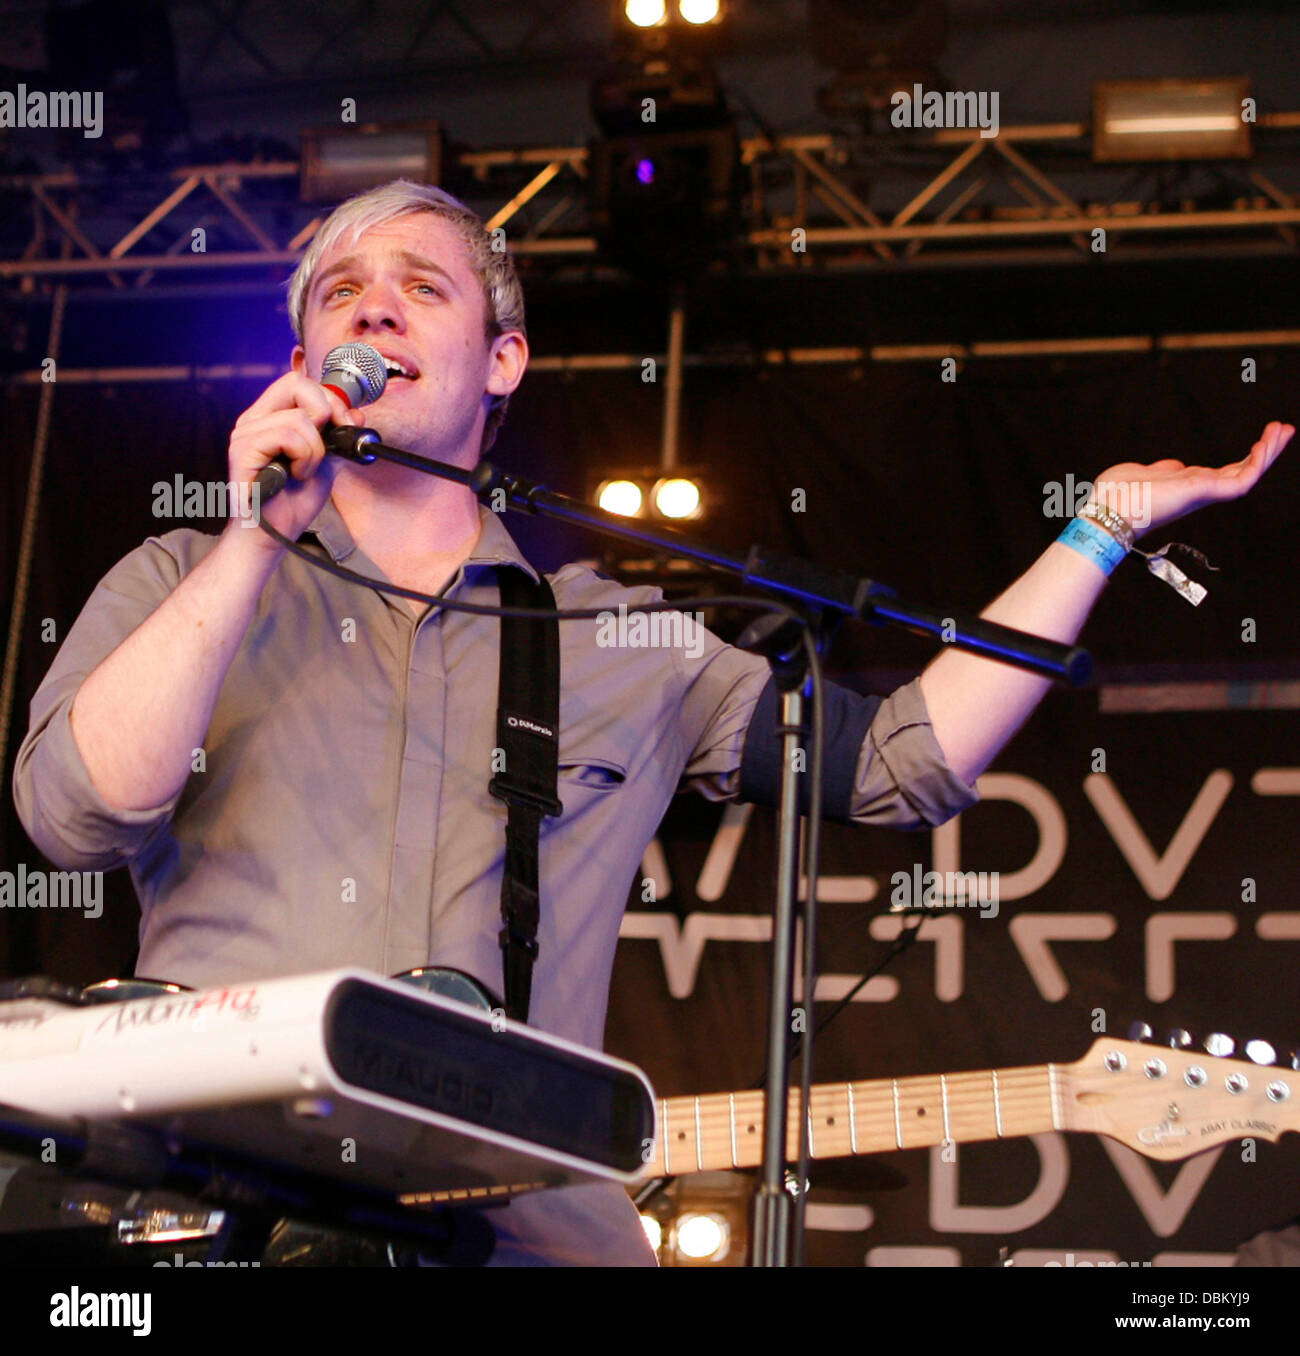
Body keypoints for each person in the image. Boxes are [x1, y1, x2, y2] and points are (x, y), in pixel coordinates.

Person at [11, 179, 1292, 1266]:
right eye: (339, 294)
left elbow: (906, 760)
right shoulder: (185, 576)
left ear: (501, 361)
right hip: (206, 1220)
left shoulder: (611, 637)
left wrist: (1100, 525)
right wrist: (254, 538)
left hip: (518, 1234)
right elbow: (73, 812)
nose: (372, 305)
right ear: (301, 363)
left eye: (421, 286)